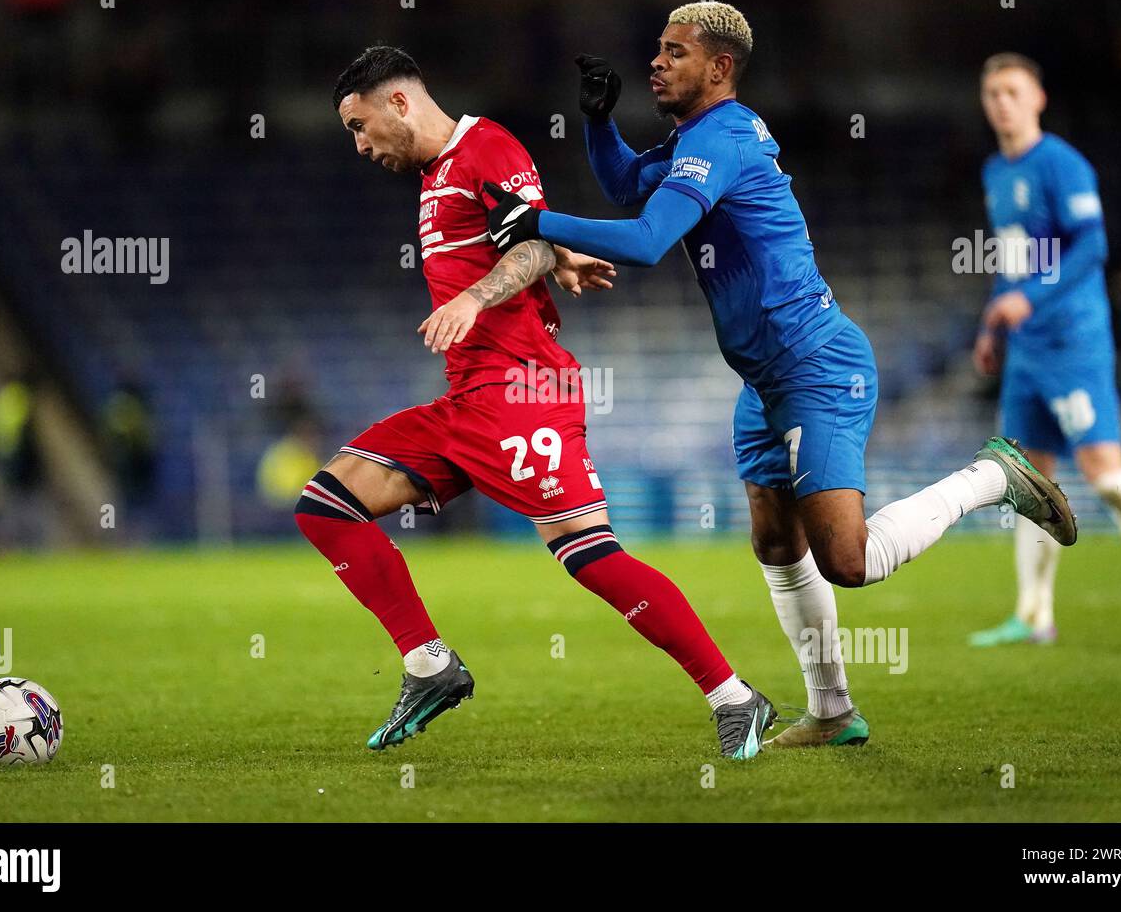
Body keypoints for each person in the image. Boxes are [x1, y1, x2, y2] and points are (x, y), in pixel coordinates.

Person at [484, 3, 1077, 746]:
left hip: (817, 366)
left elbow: (644, 240)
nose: (656, 63)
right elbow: (633, 188)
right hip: (767, 379)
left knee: (849, 561)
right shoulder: (698, 139)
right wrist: (601, 124)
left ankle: (993, 477)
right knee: (773, 542)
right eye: (657, 50)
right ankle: (832, 711)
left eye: (675, 52)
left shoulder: (722, 139)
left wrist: (537, 221)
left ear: (720, 68)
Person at [296, 44, 779, 759]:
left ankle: (736, 698)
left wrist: (479, 293)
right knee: (325, 506)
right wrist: (563, 258)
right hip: (470, 398)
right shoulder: (437, 177)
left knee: (590, 554)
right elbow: (529, 241)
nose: (360, 145)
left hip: (523, 388)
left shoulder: (485, 146)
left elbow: (525, 242)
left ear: (399, 102)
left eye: (360, 126)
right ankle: (429, 665)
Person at [969, 53, 1121, 646]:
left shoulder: (1062, 164)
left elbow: (1092, 245)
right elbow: (1012, 260)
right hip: (1024, 351)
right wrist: (992, 328)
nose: (1002, 102)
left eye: (1012, 91)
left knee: (1106, 478)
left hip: (1075, 344)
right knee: (1029, 480)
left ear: (1037, 99)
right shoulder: (996, 170)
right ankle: (1033, 614)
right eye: (992, 92)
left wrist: (1033, 299)